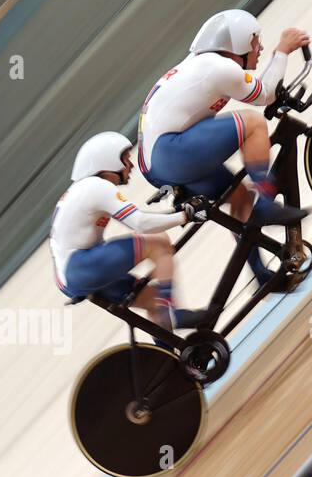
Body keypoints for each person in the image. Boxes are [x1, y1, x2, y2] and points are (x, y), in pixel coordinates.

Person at [136, 9, 311, 278]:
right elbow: (264, 94)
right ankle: (265, 201)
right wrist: (283, 50)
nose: (260, 47)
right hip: (170, 152)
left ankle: (262, 275)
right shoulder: (219, 67)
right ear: (238, 45)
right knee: (252, 123)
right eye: (255, 41)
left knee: (239, 198)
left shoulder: (202, 64)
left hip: (161, 161)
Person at [50, 131, 202, 331]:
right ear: (108, 162)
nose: (130, 165)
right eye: (125, 159)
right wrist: (184, 216)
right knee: (158, 242)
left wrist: (177, 214)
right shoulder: (97, 187)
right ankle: (176, 313)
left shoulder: (83, 189)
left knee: (155, 303)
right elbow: (141, 223)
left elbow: (140, 221)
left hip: (74, 273)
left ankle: (172, 359)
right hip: (80, 266)